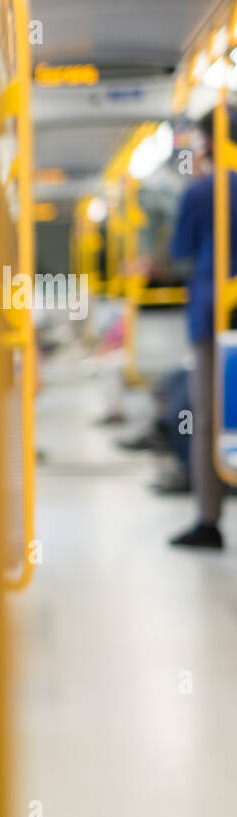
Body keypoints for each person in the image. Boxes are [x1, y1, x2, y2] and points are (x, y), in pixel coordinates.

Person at [167, 106, 237, 549]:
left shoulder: (203, 192)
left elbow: (181, 250)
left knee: (208, 416)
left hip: (216, 315)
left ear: (209, 141)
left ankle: (209, 519)